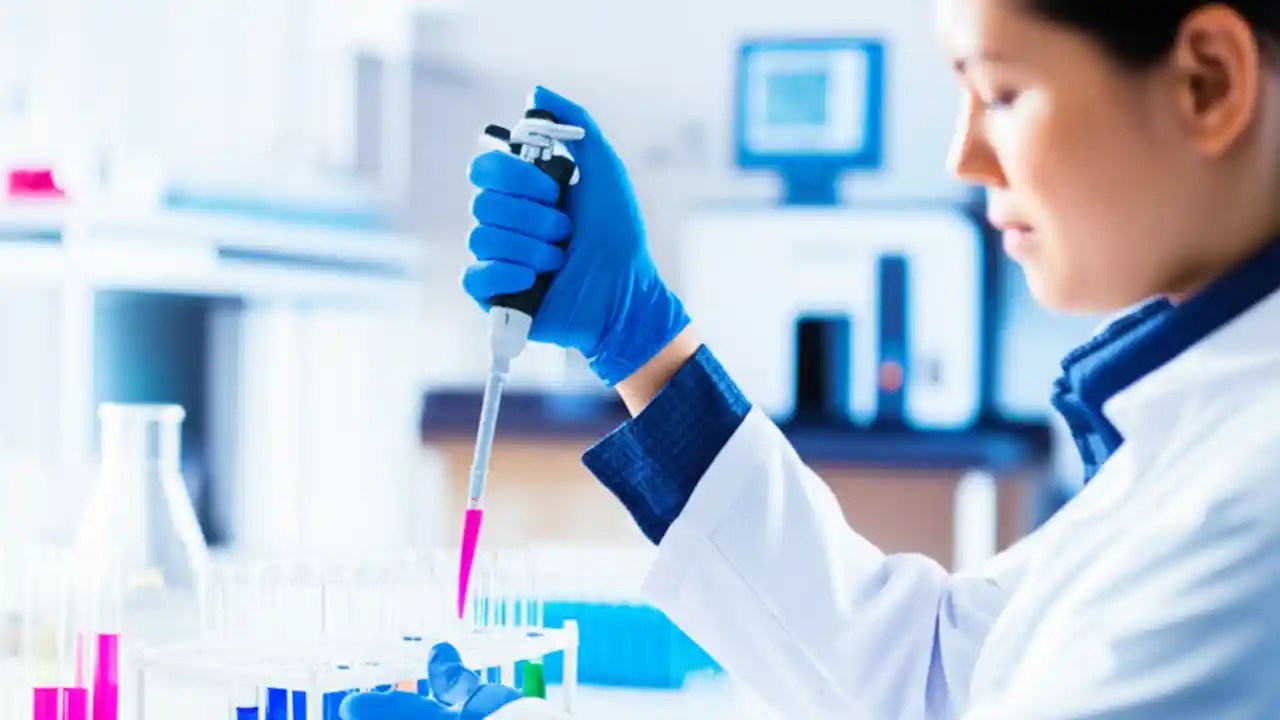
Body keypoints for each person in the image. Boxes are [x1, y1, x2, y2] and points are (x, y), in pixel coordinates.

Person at [357, 0, 1280, 717]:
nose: (964, 156)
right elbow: (926, 678)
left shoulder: (1254, 509)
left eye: (999, 92)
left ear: (1207, 82)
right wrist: (639, 338)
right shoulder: (1207, 446)